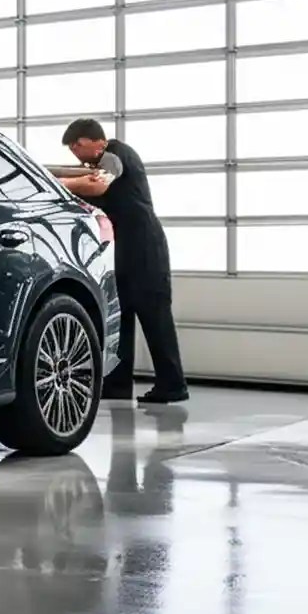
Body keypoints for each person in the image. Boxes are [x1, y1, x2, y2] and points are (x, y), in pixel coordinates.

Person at [57, 118, 188, 404]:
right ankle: (117, 383)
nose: (76, 153)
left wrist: (60, 183)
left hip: (146, 250)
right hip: (123, 252)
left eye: (78, 145)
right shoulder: (97, 165)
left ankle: (173, 384)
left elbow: (98, 187)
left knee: (155, 317)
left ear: (96, 141)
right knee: (121, 316)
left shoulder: (115, 154)